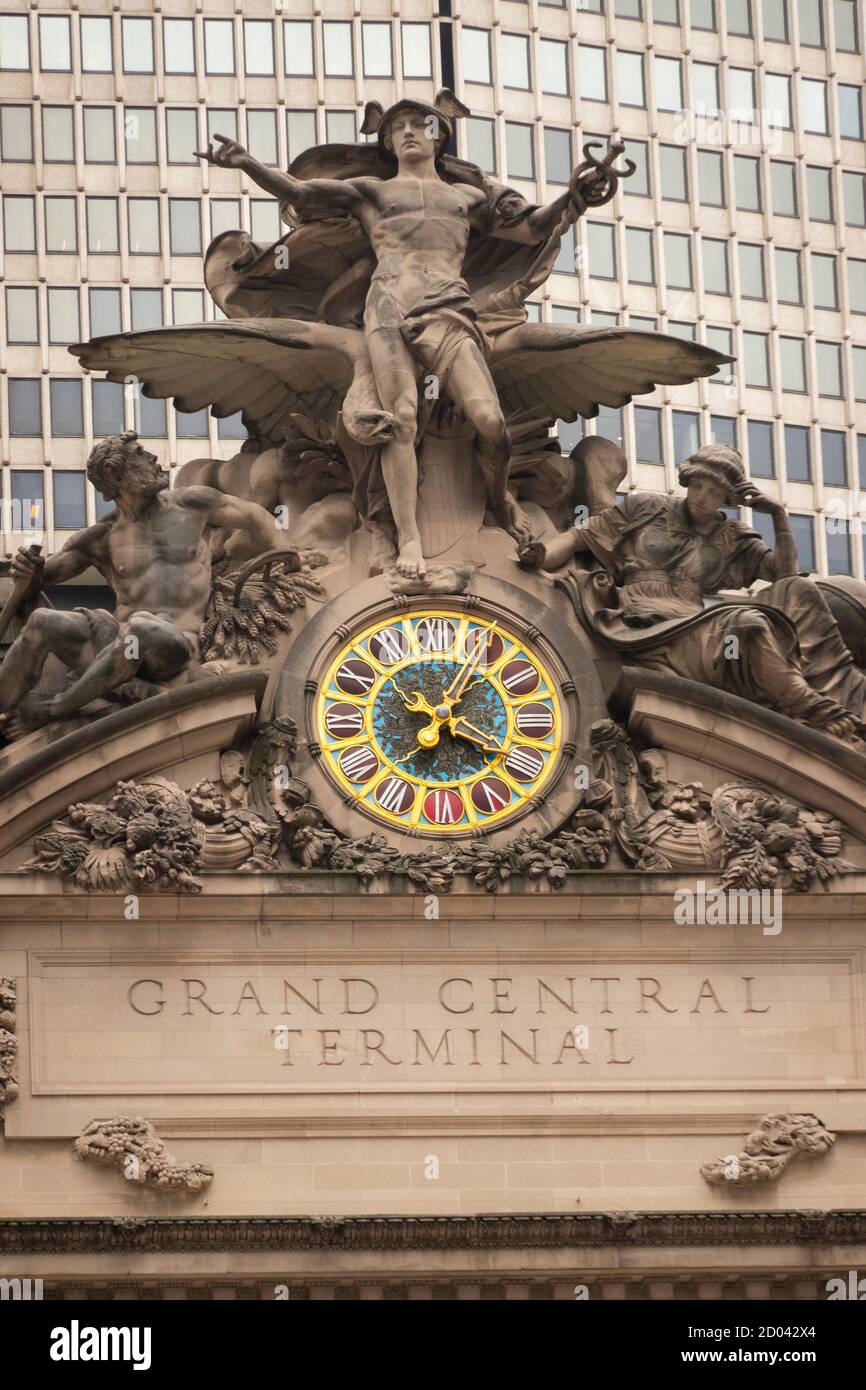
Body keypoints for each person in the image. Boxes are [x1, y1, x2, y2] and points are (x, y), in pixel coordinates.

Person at [196, 96, 602, 580]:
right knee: (400, 419)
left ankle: (500, 500)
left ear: (438, 136)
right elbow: (301, 194)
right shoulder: (372, 191)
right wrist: (247, 163)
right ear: (387, 141)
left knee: (491, 422)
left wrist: (575, 196)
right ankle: (407, 536)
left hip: (449, 310)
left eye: (418, 124)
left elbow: (533, 227)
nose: (408, 132)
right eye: (398, 127)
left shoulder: (467, 199)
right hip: (388, 307)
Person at [519, 444, 866, 742]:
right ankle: (804, 701)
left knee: (764, 615)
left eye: (715, 494)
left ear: (728, 499)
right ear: (689, 480)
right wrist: (542, 556)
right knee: (751, 623)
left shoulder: (731, 535)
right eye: (699, 486)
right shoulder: (645, 508)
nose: (703, 499)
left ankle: (813, 697)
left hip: (696, 621)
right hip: (639, 617)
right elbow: (579, 538)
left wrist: (778, 516)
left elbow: (785, 576)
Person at [0, 432, 299, 736]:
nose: (154, 459)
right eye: (141, 454)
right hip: (113, 648)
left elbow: (252, 514)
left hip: (171, 650)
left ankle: (56, 707)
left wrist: (291, 550)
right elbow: (40, 579)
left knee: (142, 626)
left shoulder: (191, 504)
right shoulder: (100, 537)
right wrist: (27, 568)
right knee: (43, 622)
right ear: (118, 475)